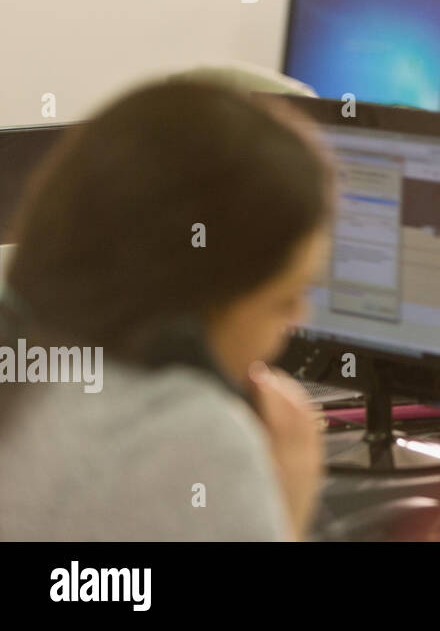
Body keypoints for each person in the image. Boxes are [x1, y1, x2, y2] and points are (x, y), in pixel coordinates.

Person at [0, 80, 333, 540]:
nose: (299, 320)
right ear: (200, 293)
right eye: (284, 300)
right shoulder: (192, 437)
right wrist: (290, 501)